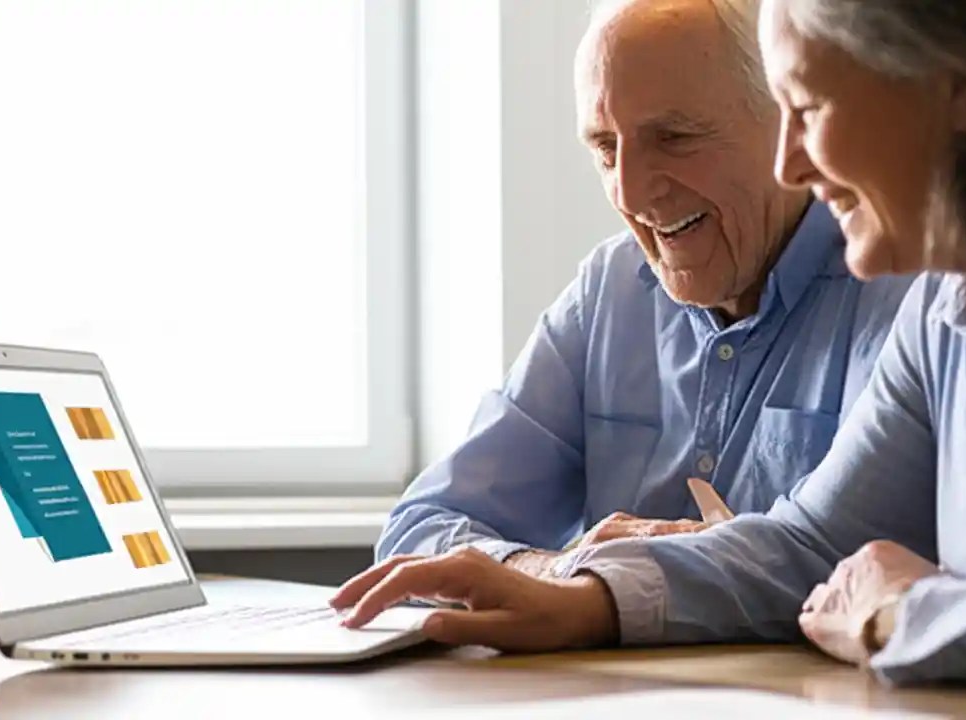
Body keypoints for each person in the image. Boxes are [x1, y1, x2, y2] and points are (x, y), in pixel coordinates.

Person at [334, 0, 966, 690]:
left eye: (808, 108)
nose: (793, 164)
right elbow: (813, 544)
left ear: (953, 85)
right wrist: (585, 593)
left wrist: (905, 614)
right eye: (604, 146)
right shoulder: (949, 296)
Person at [378, 0, 913, 579]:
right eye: (605, 148)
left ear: (788, 121)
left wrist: (646, 576)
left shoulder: (897, 288)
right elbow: (422, 527)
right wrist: (556, 573)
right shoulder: (609, 293)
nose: (630, 194)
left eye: (673, 137)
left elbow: (854, 561)